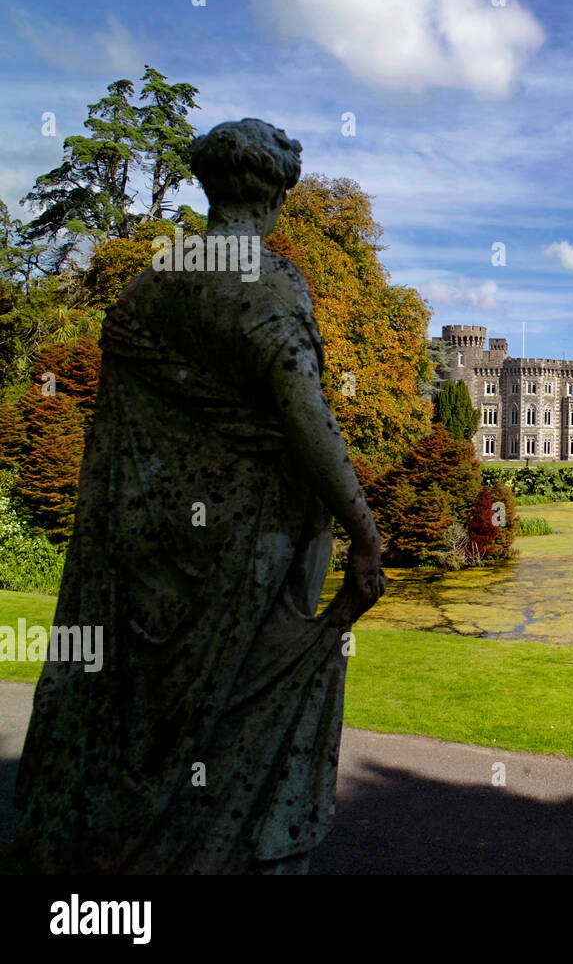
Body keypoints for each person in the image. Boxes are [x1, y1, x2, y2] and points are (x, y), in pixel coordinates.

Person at [14, 118, 386, 874]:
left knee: (141, 715)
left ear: (209, 186)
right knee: (237, 725)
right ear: (278, 194)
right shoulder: (268, 279)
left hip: (147, 550)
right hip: (246, 553)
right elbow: (305, 415)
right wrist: (364, 529)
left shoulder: (149, 285)